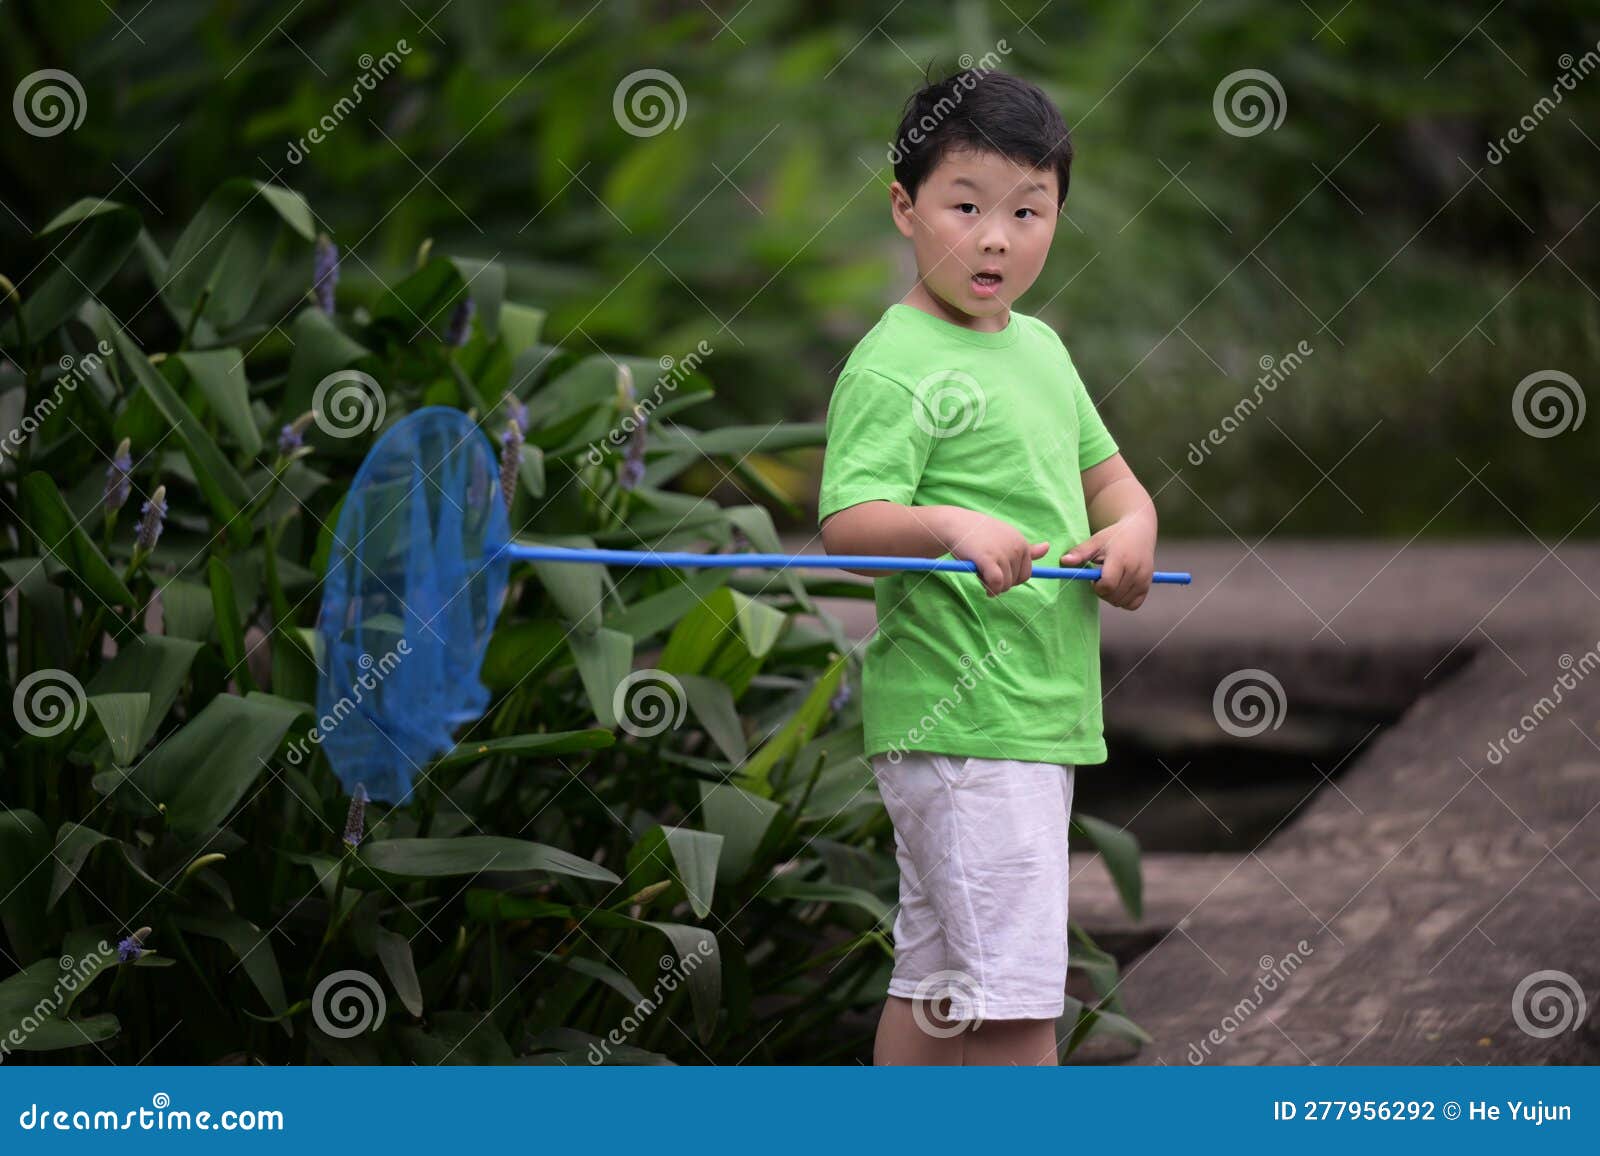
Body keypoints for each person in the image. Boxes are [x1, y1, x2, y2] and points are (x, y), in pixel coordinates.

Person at [817, 66, 1159, 1066]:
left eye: (1028, 209)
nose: (996, 237)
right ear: (904, 207)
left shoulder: (1042, 350)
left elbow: (1118, 491)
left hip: (1029, 715)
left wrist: (1133, 534)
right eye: (965, 206)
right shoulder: (894, 363)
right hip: (963, 722)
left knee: (936, 989)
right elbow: (848, 522)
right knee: (1015, 1009)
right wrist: (945, 526)